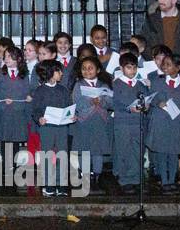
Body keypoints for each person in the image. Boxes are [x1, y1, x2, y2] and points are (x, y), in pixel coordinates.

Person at [68, 54, 111, 191]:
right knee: (84, 149)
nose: (87, 71)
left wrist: (102, 101)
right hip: (84, 122)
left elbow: (110, 102)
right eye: (84, 68)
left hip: (100, 121)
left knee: (98, 150)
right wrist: (90, 101)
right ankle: (85, 175)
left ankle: (96, 176)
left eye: (90, 68)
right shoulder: (78, 85)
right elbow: (76, 102)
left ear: (98, 70)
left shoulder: (103, 85)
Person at [146, 54, 180, 194]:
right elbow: (150, 98)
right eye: (163, 64)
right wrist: (158, 102)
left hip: (176, 122)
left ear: (178, 67)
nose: (164, 66)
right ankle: (164, 181)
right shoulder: (157, 81)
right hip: (160, 120)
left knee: (174, 152)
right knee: (162, 152)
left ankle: (172, 180)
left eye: (168, 64)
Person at [30, 59, 71, 197]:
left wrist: (72, 116)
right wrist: (39, 118)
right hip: (47, 127)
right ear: (50, 73)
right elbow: (35, 110)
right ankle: (49, 184)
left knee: (62, 155)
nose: (61, 74)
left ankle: (62, 184)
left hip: (61, 127)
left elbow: (69, 107)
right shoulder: (40, 91)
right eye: (58, 71)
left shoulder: (63, 90)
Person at [110, 53, 148, 193]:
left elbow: (146, 99)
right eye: (128, 68)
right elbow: (113, 103)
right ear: (121, 68)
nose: (132, 71)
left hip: (138, 122)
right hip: (123, 123)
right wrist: (128, 108)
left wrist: (146, 105)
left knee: (137, 150)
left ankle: (136, 178)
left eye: (134, 67)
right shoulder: (115, 84)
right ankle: (125, 179)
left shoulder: (140, 84)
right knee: (124, 150)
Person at [0, 47, 34, 166]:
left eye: (10, 56)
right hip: (4, 112)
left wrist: (29, 96)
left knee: (16, 139)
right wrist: (2, 102)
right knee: (5, 138)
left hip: (19, 112)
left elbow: (27, 89)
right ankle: (5, 164)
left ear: (18, 59)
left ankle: (13, 163)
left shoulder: (25, 74)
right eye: (5, 56)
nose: (6, 59)